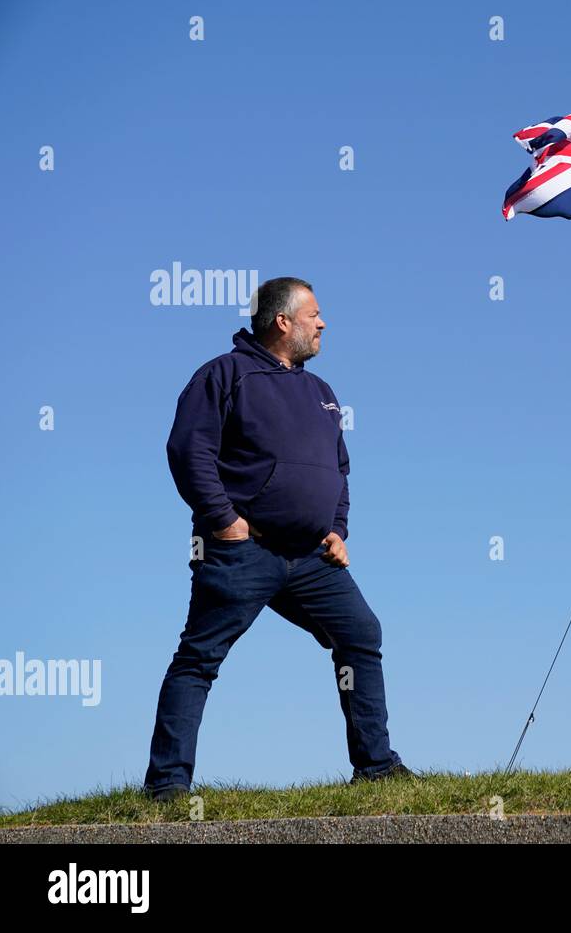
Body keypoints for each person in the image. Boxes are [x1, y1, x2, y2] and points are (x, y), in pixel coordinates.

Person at [143, 277, 410, 802]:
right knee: (199, 658)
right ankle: (167, 784)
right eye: (314, 313)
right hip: (243, 551)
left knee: (360, 635)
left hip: (312, 558)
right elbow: (187, 450)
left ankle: (376, 767)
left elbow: (339, 469)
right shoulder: (224, 375)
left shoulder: (322, 393)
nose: (323, 322)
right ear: (282, 321)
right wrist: (223, 520)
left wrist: (337, 529)